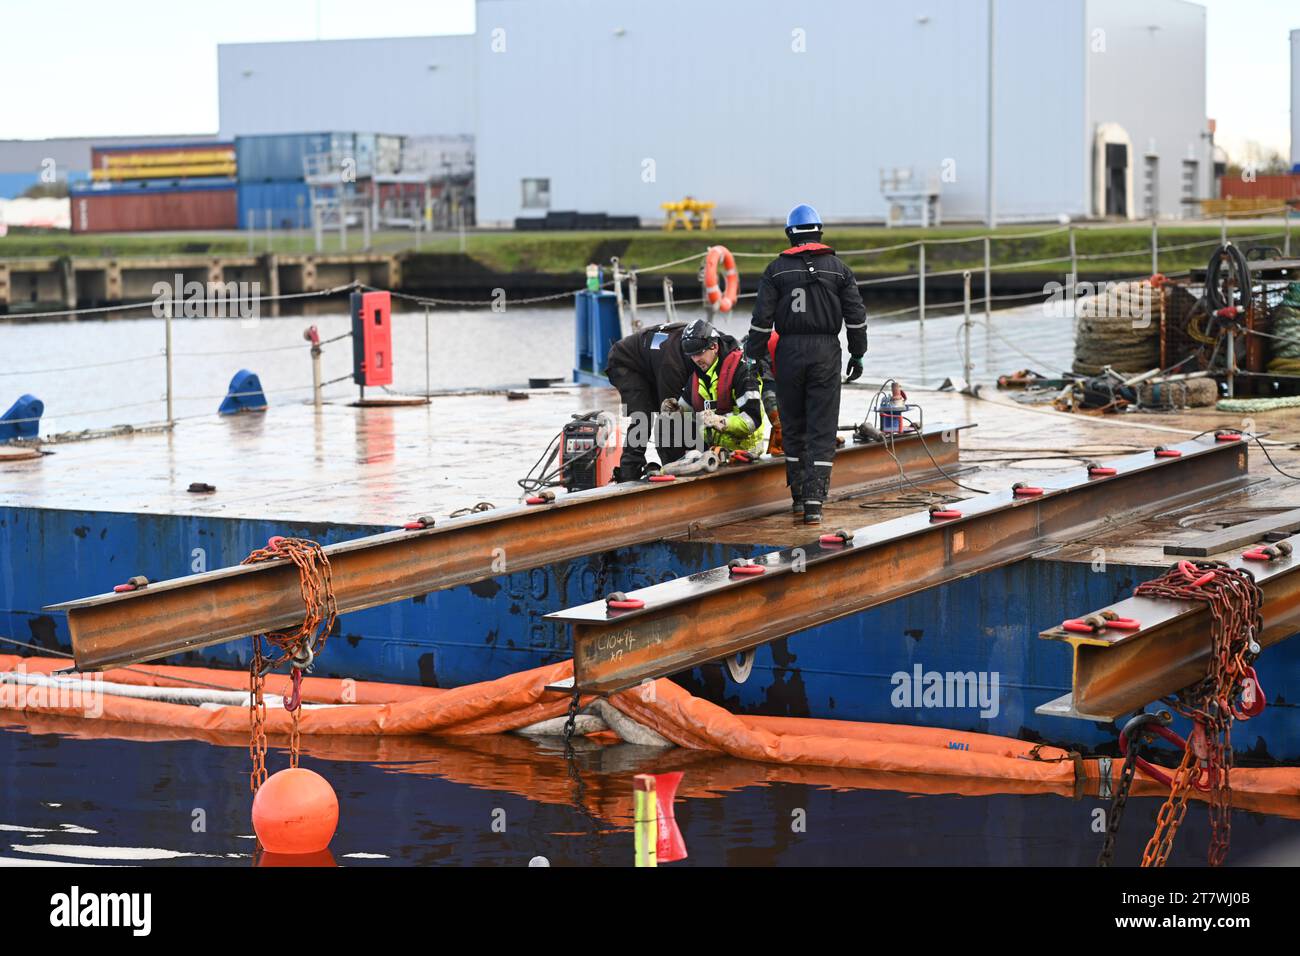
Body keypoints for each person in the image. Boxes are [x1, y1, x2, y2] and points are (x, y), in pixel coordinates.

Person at [745, 203, 867, 524]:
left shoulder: (775, 270)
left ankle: (798, 497)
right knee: (822, 429)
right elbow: (856, 319)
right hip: (826, 352)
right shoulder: (840, 270)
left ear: (789, 235)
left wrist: (753, 354)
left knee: (794, 424)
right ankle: (815, 502)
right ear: (819, 233)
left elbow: (761, 321)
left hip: (788, 353)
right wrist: (858, 353)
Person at [603, 321, 693, 480]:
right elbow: (669, 417)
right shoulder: (673, 365)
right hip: (624, 361)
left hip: (652, 363)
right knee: (643, 418)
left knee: (684, 414)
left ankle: (678, 461)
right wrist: (673, 467)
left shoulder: (700, 349)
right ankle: (629, 473)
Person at [673, 318, 766, 456]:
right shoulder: (697, 376)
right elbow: (686, 413)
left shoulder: (742, 371)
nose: (696, 359)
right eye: (692, 355)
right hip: (715, 452)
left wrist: (721, 421)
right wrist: (673, 409)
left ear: (714, 346)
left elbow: (752, 419)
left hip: (746, 453)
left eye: (699, 353)